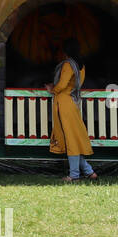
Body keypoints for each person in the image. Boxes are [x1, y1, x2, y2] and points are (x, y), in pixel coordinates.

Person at [47, 38, 95, 182]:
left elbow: (62, 85)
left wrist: (52, 89)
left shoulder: (68, 65)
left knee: (70, 139)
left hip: (64, 103)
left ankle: (74, 175)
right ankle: (89, 171)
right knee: (73, 137)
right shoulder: (81, 66)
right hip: (73, 103)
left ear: (66, 51)